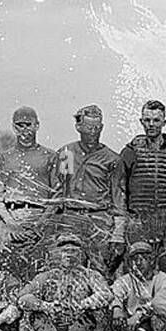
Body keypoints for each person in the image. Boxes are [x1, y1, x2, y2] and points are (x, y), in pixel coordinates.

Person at [52, 104, 127, 278]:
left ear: (101, 128)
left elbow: (119, 199)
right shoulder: (67, 153)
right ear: (78, 127)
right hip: (71, 219)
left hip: (99, 221)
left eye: (96, 128)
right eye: (87, 128)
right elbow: (59, 190)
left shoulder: (112, 159)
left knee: (100, 271)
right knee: (67, 269)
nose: (92, 133)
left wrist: (118, 234)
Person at [17, 233, 113, 331]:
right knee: (31, 313)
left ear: (80, 254)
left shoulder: (91, 275)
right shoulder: (46, 276)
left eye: (73, 251)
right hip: (52, 327)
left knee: (101, 312)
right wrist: (46, 306)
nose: (69, 255)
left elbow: (107, 295)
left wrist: (82, 304)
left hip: (80, 327)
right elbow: (23, 298)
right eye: (66, 251)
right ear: (58, 254)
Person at [0, 105, 58, 278]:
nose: (24, 130)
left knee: (40, 272)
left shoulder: (51, 156)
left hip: (40, 219)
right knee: (6, 271)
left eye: (29, 124)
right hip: (10, 219)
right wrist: (10, 222)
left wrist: (41, 224)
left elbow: (57, 196)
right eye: (20, 125)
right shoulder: (3, 158)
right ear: (14, 127)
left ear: (37, 125)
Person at [119, 99, 166, 270]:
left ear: (164, 122)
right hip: (140, 217)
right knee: (138, 265)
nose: (151, 124)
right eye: (147, 120)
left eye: (156, 120)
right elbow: (121, 186)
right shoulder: (130, 151)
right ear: (141, 121)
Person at [108, 240, 166, 331]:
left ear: (151, 261)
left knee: (155, 318)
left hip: (157, 329)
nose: (138, 263)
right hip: (130, 325)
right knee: (108, 314)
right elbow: (114, 293)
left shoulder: (165, 280)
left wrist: (139, 315)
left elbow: (159, 303)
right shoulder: (127, 279)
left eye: (143, 258)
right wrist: (117, 308)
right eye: (134, 259)